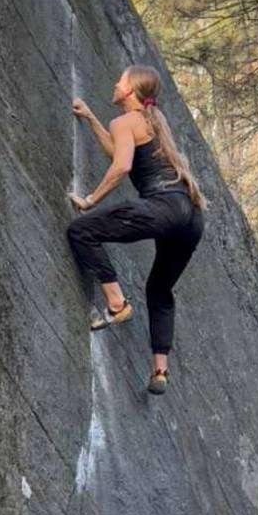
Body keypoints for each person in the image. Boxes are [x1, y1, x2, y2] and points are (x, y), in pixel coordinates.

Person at [66, 64, 207, 394]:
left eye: (121, 80)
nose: (115, 84)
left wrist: (90, 199)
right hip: (190, 216)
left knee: (81, 231)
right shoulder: (148, 120)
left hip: (162, 208)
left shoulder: (126, 120)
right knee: (159, 290)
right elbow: (120, 150)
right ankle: (160, 372)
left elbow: (121, 166)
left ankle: (117, 305)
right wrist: (90, 118)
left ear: (129, 90)